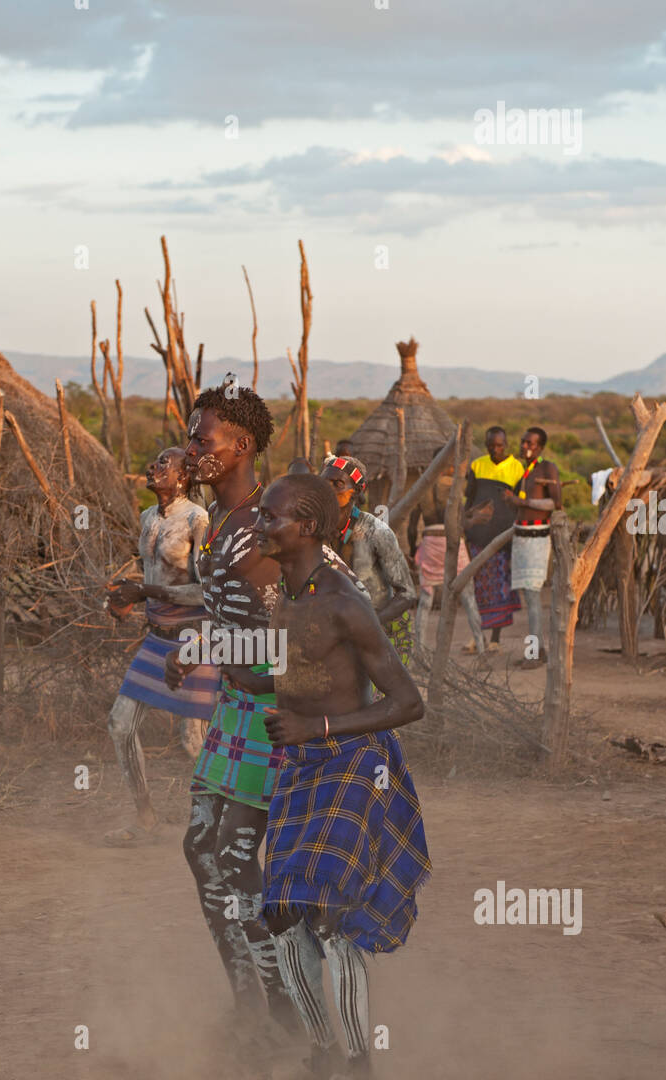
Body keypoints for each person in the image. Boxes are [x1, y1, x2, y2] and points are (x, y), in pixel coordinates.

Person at [164, 387, 367, 1046]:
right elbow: (241, 610)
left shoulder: (263, 531)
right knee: (205, 849)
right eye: (192, 439)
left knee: (241, 863)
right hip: (238, 706)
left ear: (240, 446)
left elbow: (295, 636)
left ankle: (284, 1016)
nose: (193, 450)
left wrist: (206, 647)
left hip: (277, 712)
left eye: (203, 440)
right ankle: (254, 1002)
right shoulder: (226, 523)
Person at [245, 475, 430, 1080]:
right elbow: (288, 674)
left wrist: (316, 727)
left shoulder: (346, 602)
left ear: (308, 528)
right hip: (301, 764)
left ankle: (359, 1069)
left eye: (271, 516)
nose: (259, 524)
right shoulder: (284, 596)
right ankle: (323, 1055)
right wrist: (197, 657)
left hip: (354, 763)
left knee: (335, 919)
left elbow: (409, 704)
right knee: (283, 915)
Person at [103, 448, 220, 847]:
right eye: (152, 461)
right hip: (157, 637)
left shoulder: (197, 519)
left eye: (163, 464)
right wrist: (124, 600)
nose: (153, 468)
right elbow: (151, 577)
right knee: (120, 725)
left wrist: (144, 591)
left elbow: (208, 593)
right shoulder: (147, 518)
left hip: (192, 642)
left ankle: (222, 826)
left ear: (185, 477)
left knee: (195, 744)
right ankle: (145, 816)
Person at [320, 454, 416, 664]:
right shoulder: (312, 532)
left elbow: (407, 594)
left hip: (382, 634)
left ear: (357, 491)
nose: (328, 490)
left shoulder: (376, 532)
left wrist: (371, 624)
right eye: (324, 483)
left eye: (338, 484)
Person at [411, 449, 484, 653]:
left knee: (425, 600)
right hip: (451, 540)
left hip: (429, 541)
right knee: (468, 597)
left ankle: (420, 649)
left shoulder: (421, 488)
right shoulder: (453, 485)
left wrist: (413, 548)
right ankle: (481, 646)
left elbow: (411, 527)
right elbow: (459, 520)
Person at [462, 426, 524, 650]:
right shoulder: (478, 466)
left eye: (499, 445)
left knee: (500, 588)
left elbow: (519, 504)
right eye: (490, 446)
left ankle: (495, 639)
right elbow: (468, 501)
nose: (495, 450)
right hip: (477, 535)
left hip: (503, 537)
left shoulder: (517, 468)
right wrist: (465, 527)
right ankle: (476, 636)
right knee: (477, 587)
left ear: (506, 444)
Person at [506, 427, 562, 667]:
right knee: (529, 597)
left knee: (533, 595)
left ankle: (536, 654)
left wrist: (524, 501)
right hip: (521, 535)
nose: (524, 446)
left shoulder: (547, 468)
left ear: (540, 447)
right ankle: (535, 651)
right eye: (522, 441)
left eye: (530, 443)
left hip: (537, 537)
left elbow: (556, 503)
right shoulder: (524, 472)